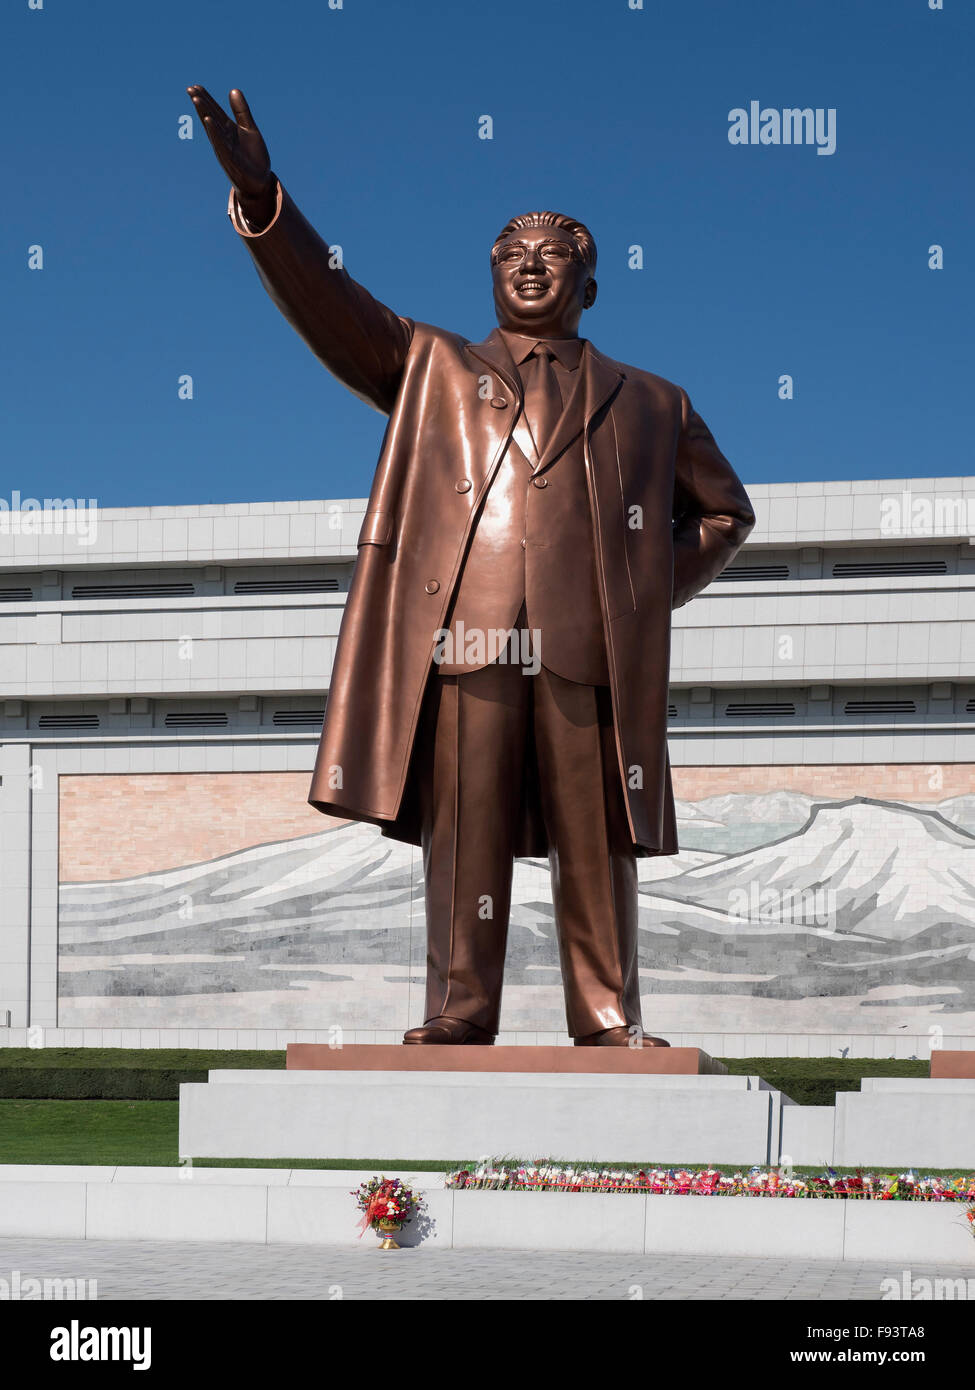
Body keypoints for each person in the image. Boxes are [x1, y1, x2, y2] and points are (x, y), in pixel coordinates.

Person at [189, 86, 756, 1048]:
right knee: (465, 827)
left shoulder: (652, 402)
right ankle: (459, 1005)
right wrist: (264, 204)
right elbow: (332, 307)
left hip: (586, 648)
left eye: (553, 255)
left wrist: (635, 594)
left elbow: (724, 513)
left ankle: (607, 1014)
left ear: (590, 285)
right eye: (509, 254)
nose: (529, 265)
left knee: (595, 835)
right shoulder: (432, 367)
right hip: (468, 636)